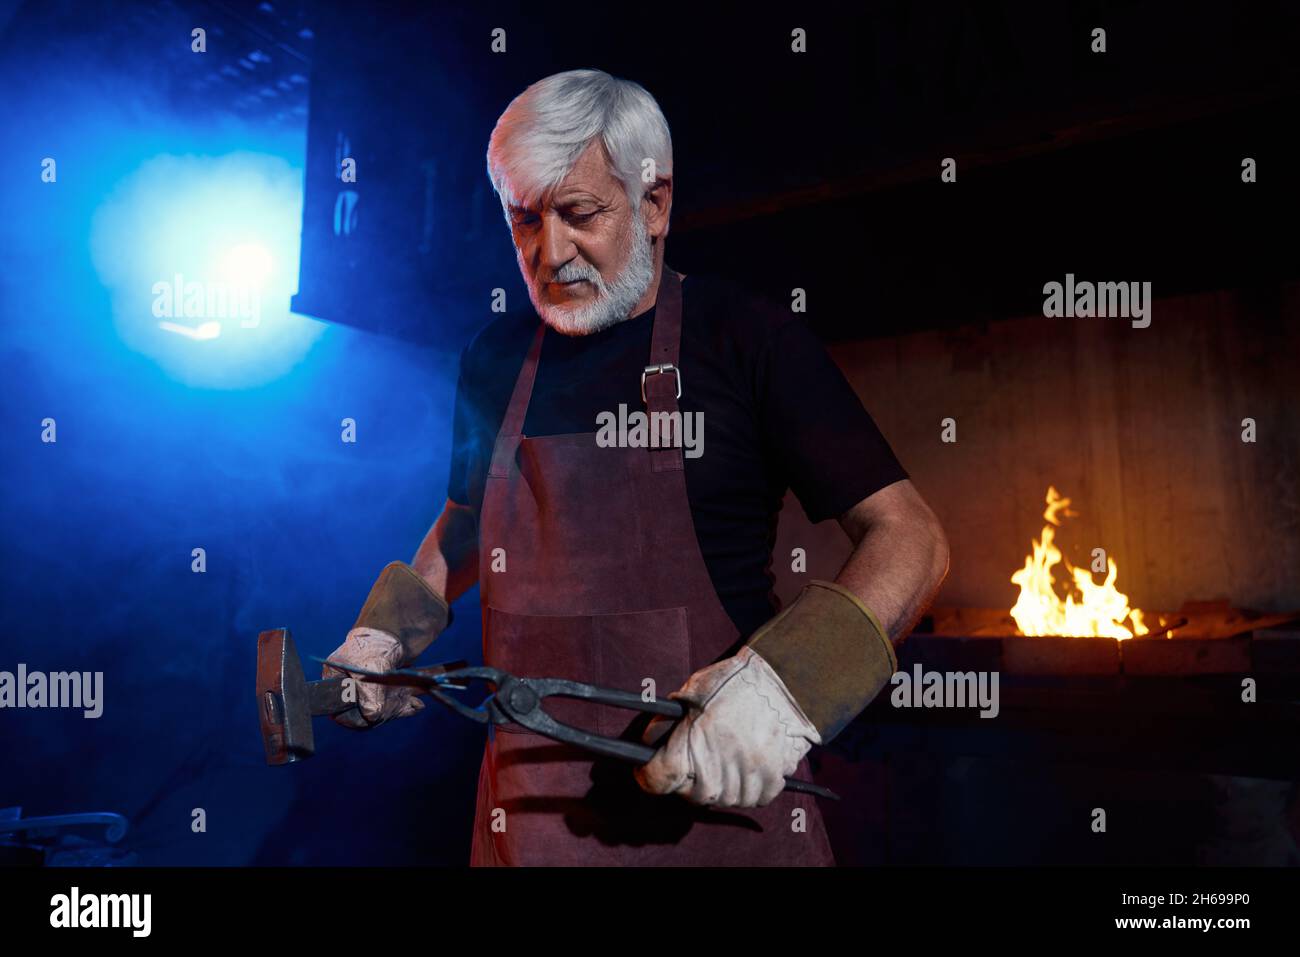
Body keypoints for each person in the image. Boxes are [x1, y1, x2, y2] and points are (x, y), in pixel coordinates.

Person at [324, 68, 949, 866]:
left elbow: (912, 535)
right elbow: (467, 522)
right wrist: (382, 634)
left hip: (716, 822)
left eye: (579, 214)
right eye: (524, 220)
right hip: (528, 828)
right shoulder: (493, 359)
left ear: (655, 204)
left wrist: (785, 689)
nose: (548, 252)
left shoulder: (745, 338)